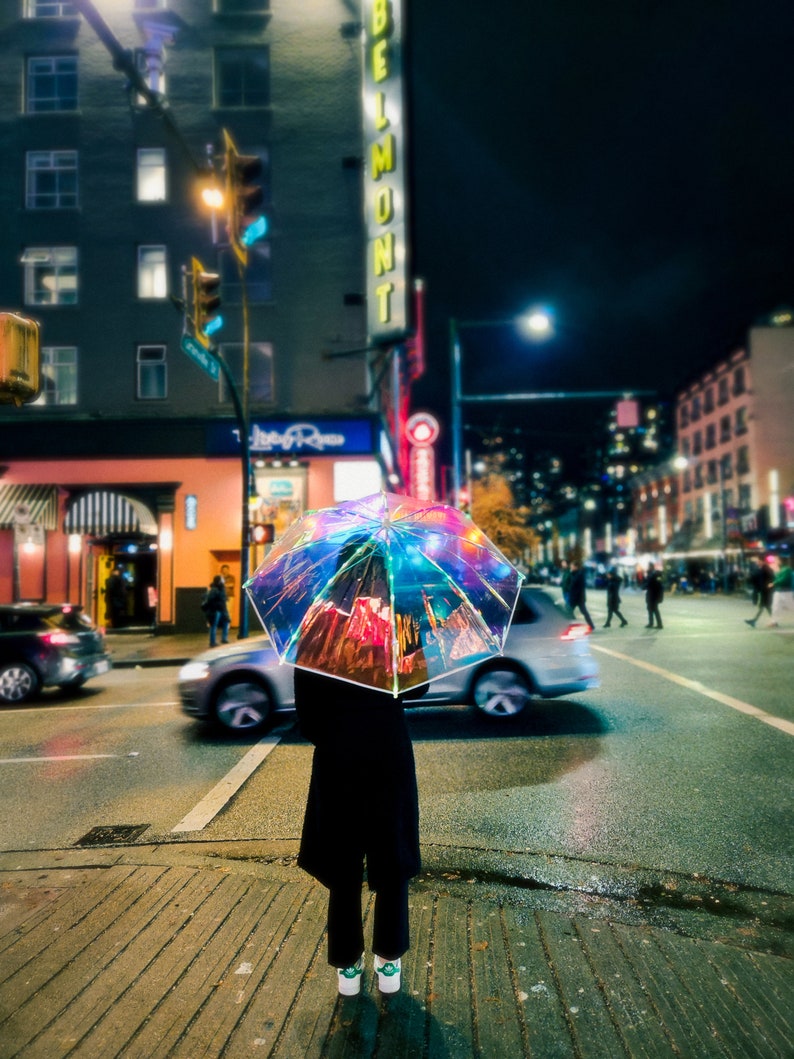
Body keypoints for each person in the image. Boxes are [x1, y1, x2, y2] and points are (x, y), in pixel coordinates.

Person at [294, 546, 421, 998]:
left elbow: (305, 716)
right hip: (388, 750)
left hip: (338, 755)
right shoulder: (399, 618)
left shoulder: (318, 622)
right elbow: (419, 686)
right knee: (392, 857)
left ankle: (347, 967)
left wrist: (334, 736)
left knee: (343, 859)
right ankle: (390, 963)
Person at [745, 556, 774, 627]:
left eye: (758, 561)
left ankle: (754, 621)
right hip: (764, 590)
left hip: (766, 591)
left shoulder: (766, 569)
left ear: (763, 561)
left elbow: (771, 578)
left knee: (764, 606)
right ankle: (754, 621)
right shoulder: (761, 569)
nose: (757, 562)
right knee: (766, 606)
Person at [204, 574, 230, 647]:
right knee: (214, 625)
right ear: (219, 581)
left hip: (222, 609)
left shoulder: (221, 588)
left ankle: (224, 638)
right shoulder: (214, 589)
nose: (223, 580)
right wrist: (220, 600)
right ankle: (212, 642)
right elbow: (210, 599)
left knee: (226, 622)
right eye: (222, 579)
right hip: (216, 610)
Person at [568, 560, 594, 630]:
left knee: (583, 612)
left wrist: (572, 574)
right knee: (569, 612)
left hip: (578, 598)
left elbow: (575, 584)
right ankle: (591, 625)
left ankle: (591, 625)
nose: (571, 567)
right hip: (576, 597)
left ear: (576, 567)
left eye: (572, 566)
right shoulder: (576, 573)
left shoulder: (579, 574)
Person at [768, 557, 793, 627]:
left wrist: (774, 583)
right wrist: (775, 571)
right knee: (775, 606)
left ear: (781, 561)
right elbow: (777, 578)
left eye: (776, 560)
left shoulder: (787, 569)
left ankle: (774, 621)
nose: (775, 562)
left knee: (791, 606)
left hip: (785, 591)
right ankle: (774, 622)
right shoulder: (781, 569)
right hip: (779, 591)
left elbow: (783, 579)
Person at [645, 563, 664, 629]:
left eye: (649, 566)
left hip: (654, 596)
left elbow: (659, 586)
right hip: (650, 595)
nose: (648, 568)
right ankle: (651, 623)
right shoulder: (650, 574)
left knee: (655, 610)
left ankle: (660, 624)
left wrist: (660, 597)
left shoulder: (656, 575)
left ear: (651, 567)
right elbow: (648, 584)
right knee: (649, 609)